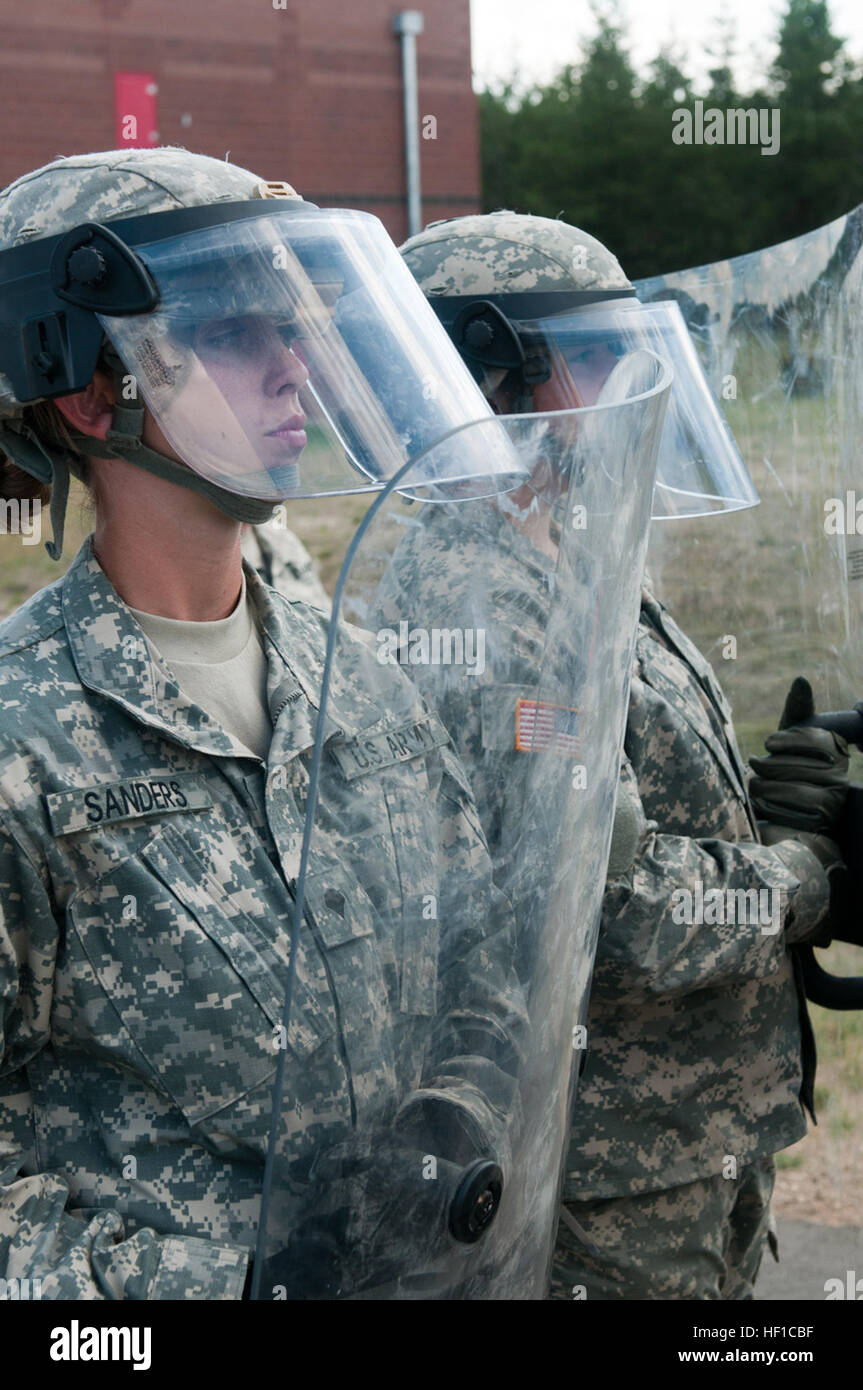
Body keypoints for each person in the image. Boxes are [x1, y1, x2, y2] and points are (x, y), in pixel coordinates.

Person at [0, 149, 526, 1300]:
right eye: (240, 333)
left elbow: (480, 968)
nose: (298, 369)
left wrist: (453, 1126)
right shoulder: (18, 744)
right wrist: (225, 1285)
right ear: (93, 392)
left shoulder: (364, 683)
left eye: (298, 327)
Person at [372, 211, 849, 1300]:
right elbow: (600, 904)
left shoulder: (568, 553)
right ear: (486, 377)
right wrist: (800, 878)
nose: (634, 382)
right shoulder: (482, 604)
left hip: (675, 1141)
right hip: (602, 1176)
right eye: (593, 354)